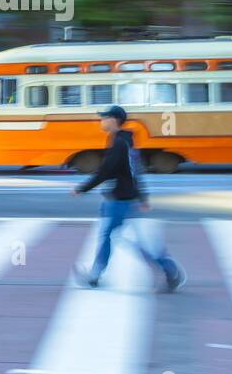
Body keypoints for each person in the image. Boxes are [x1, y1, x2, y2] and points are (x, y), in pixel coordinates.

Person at [70, 106, 185, 292]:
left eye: (104, 118)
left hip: (119, 199)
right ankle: (169, 270)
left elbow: (106, 171)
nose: (101, 121)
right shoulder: (124, 141)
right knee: (120, 238)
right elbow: (134, 170)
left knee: (110, 237)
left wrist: (82, 189)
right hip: (123, 197)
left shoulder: (119, 143)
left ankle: (95, 275)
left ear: (114, 120)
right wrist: (142, 196)